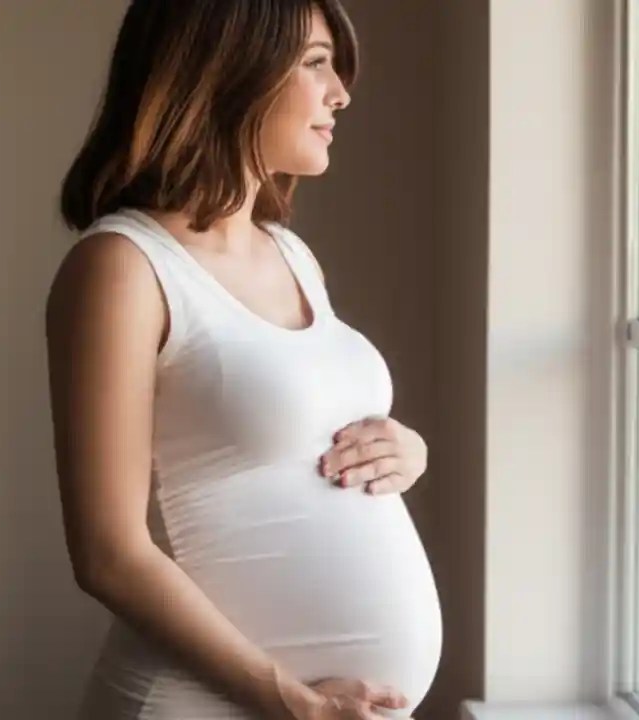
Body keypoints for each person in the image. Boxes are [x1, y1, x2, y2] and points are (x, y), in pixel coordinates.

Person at [44, 1, 443, 718]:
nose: (341, 93)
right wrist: (294, 704)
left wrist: (402, 451)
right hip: (204, 705)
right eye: (316, 64)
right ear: (229, 73)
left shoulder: (288, 254)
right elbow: (107, 553)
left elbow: (293, 438)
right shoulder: (122, 267)